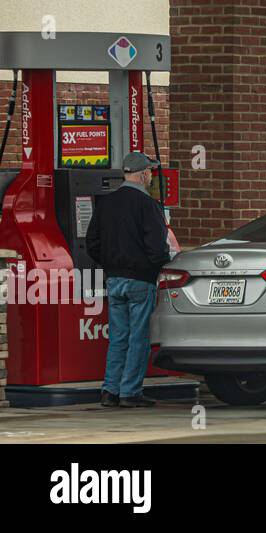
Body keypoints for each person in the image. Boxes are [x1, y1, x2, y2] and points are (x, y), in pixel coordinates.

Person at [86, 152, 171, 408]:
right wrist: (158, 264)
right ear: (144, 174)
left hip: (114, 280)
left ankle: (109, 390)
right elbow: (157, 248)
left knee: (118, 336)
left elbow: (92, 243)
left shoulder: (106, 203)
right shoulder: (149, 206)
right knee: (138, 338)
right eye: (151, 173)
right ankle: (130, 392)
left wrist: (111, 263)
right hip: (140, 280)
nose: (151, 177)